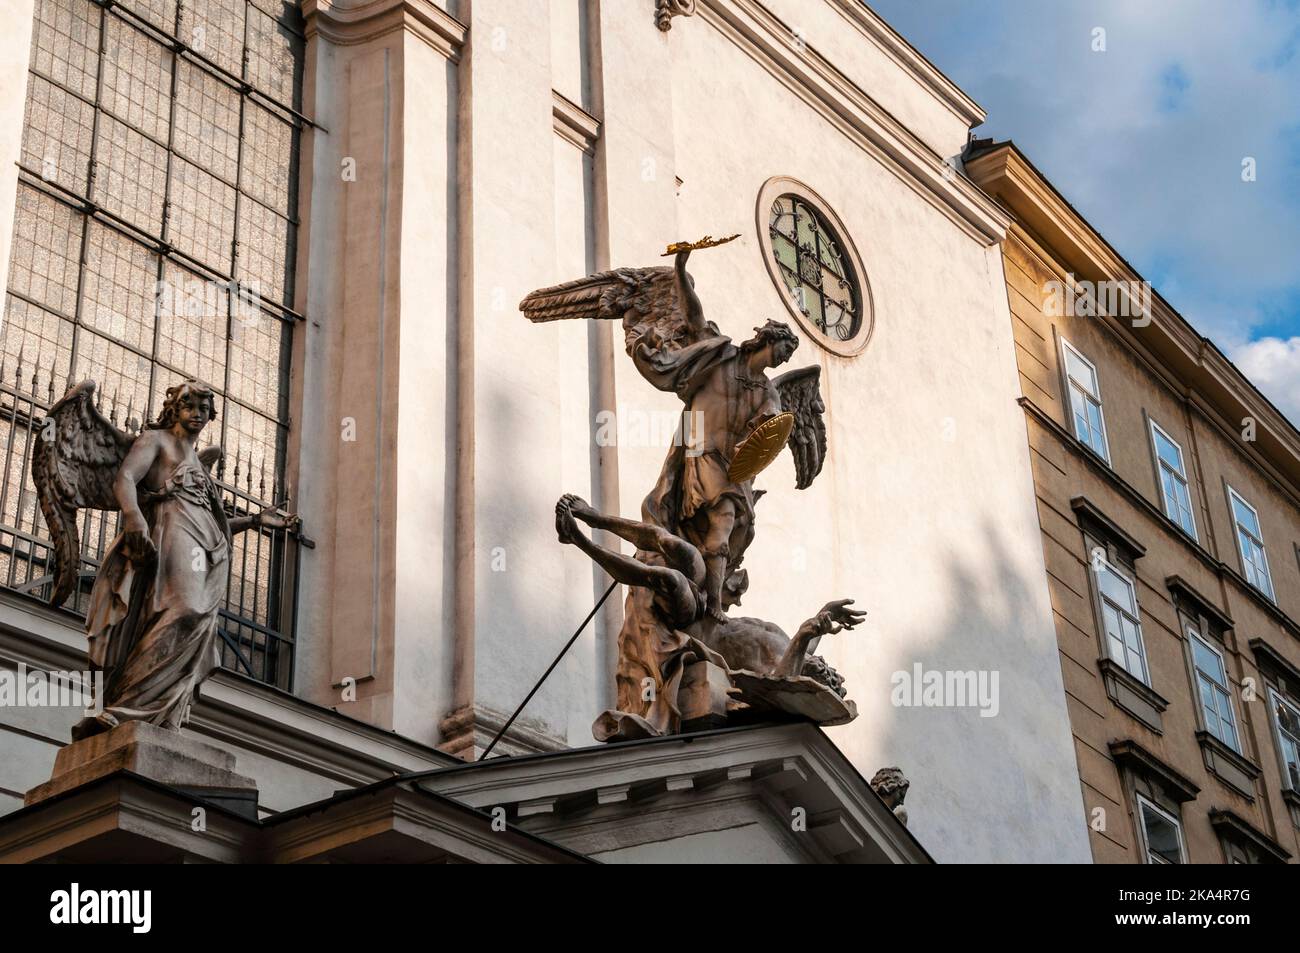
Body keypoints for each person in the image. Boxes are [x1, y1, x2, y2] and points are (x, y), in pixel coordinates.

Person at [73, 381, 291, 740]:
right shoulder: (156, 440)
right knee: (184, 609)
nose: (197, 415)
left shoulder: (199, 465)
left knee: (192, 621)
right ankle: (125, 705)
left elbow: (210, 515)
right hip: (171, 529)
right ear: (175, 409)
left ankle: (152, 710)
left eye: (204, 411)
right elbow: (125, 477)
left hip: (208, 547)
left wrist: (253, 521)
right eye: (190, 407)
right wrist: (133, 517)